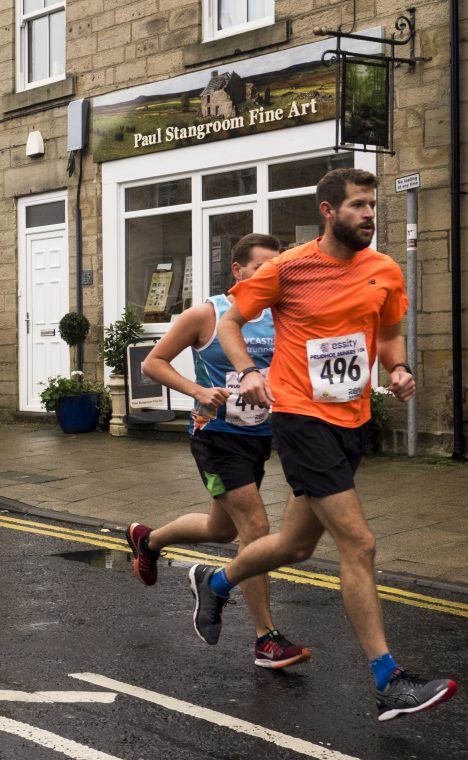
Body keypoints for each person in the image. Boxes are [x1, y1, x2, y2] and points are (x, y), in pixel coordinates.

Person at [188, 168, 457, 720]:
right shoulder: (290, 268)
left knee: (295, 545)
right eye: (358, 205)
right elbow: (232, 323)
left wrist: (399, 367)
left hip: (351, 419)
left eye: (373, 207)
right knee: (359, 544)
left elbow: (386, 333)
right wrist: (247, 372)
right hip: (300, 418)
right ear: (328, 211)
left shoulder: (383, 269)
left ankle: (214, 582)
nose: (369, 215)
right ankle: (388, 679)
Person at [132, 233, 309, 670]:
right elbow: (152, 363)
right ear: (238, 271)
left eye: (278, 268)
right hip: (215, 437)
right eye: (264, 268)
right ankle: (266, 638)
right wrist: (197, 390)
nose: (273, 276)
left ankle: (149, 541)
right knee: (256, 526)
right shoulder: (206, 314)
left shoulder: (279, 315)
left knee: (221, 529)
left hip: (259, 437)